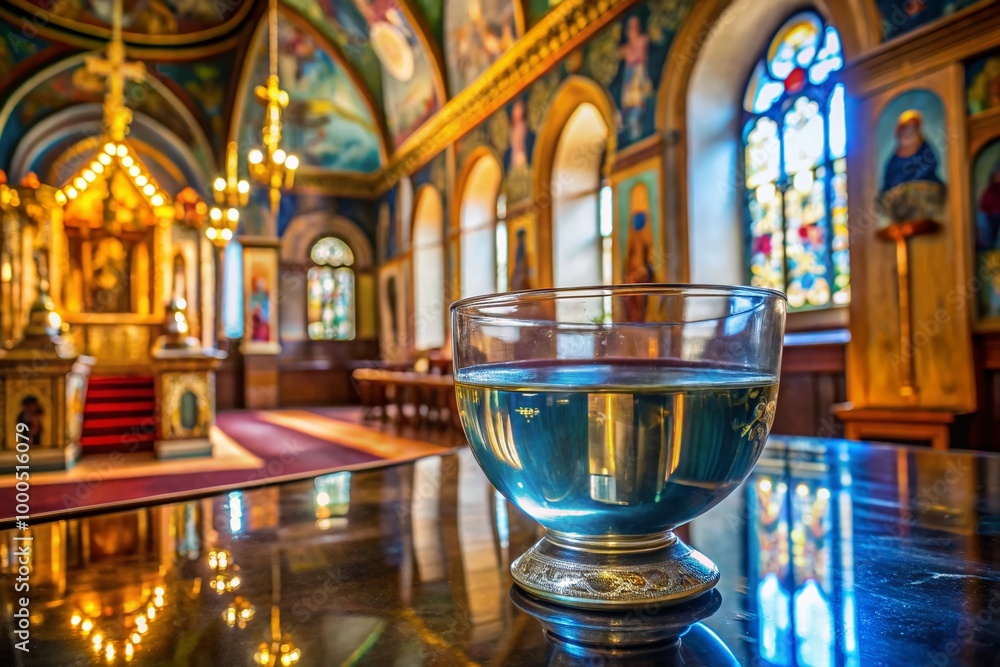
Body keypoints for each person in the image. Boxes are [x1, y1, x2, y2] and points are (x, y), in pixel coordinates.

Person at [881, 110, 942, 194]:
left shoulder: (924, 149)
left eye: (912, 127)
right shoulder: (894, 159)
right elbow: (890, 179)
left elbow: (930, 165)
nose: (908, 131)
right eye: (906, 127)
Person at [618, 16, 651, 140]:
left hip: (639, 75)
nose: (633, 31)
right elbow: (618, 53)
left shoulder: (643, 40)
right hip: (629, 78)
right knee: (629, 102)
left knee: (638, 100)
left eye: (635, 27)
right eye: (630, 28)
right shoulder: (627, 48)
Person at [978, 158, 1000, 251]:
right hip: (990, 218)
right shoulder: (989, 189)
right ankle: (987, 247)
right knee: (980, 218)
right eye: (997, 172)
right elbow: (983, 206)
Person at [250, 275, 270, 342]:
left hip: (263, 324)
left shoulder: (266, 296)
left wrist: (262, 312)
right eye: (259, 283)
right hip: (254, 324)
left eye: (262, 283)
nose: (260, 286)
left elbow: (268, 311)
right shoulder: (253, 296)